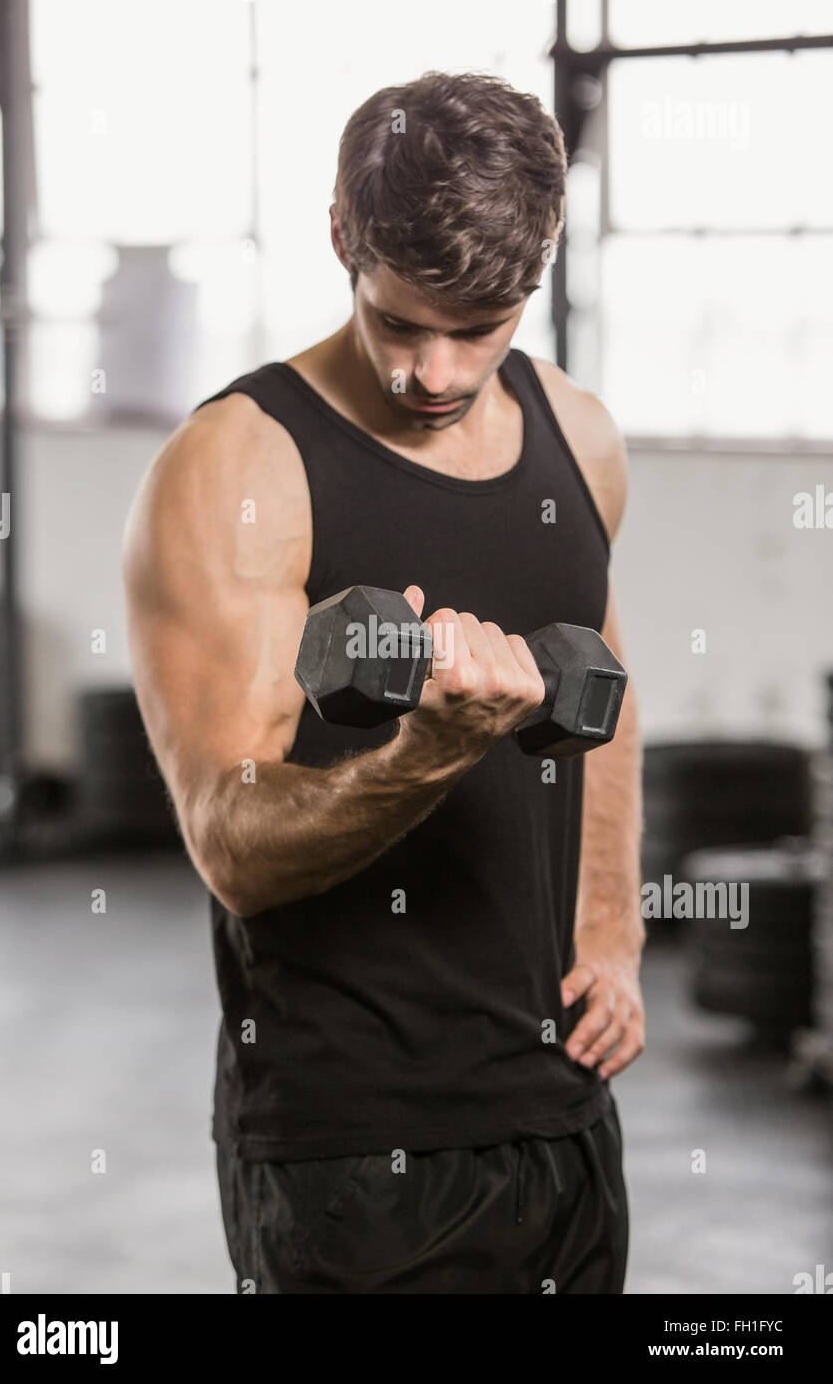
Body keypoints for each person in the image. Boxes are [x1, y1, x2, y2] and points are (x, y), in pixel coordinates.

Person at [122, 70, 645, 1294]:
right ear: (343, 241)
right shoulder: (235, 466)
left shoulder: (580, 435)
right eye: (400, 321)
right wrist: (427, 751)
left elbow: (606, 704)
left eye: (481, 326)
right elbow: (231, 842)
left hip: (560, 1109)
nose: (435, 373)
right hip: (348, 1145)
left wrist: (611, 931)